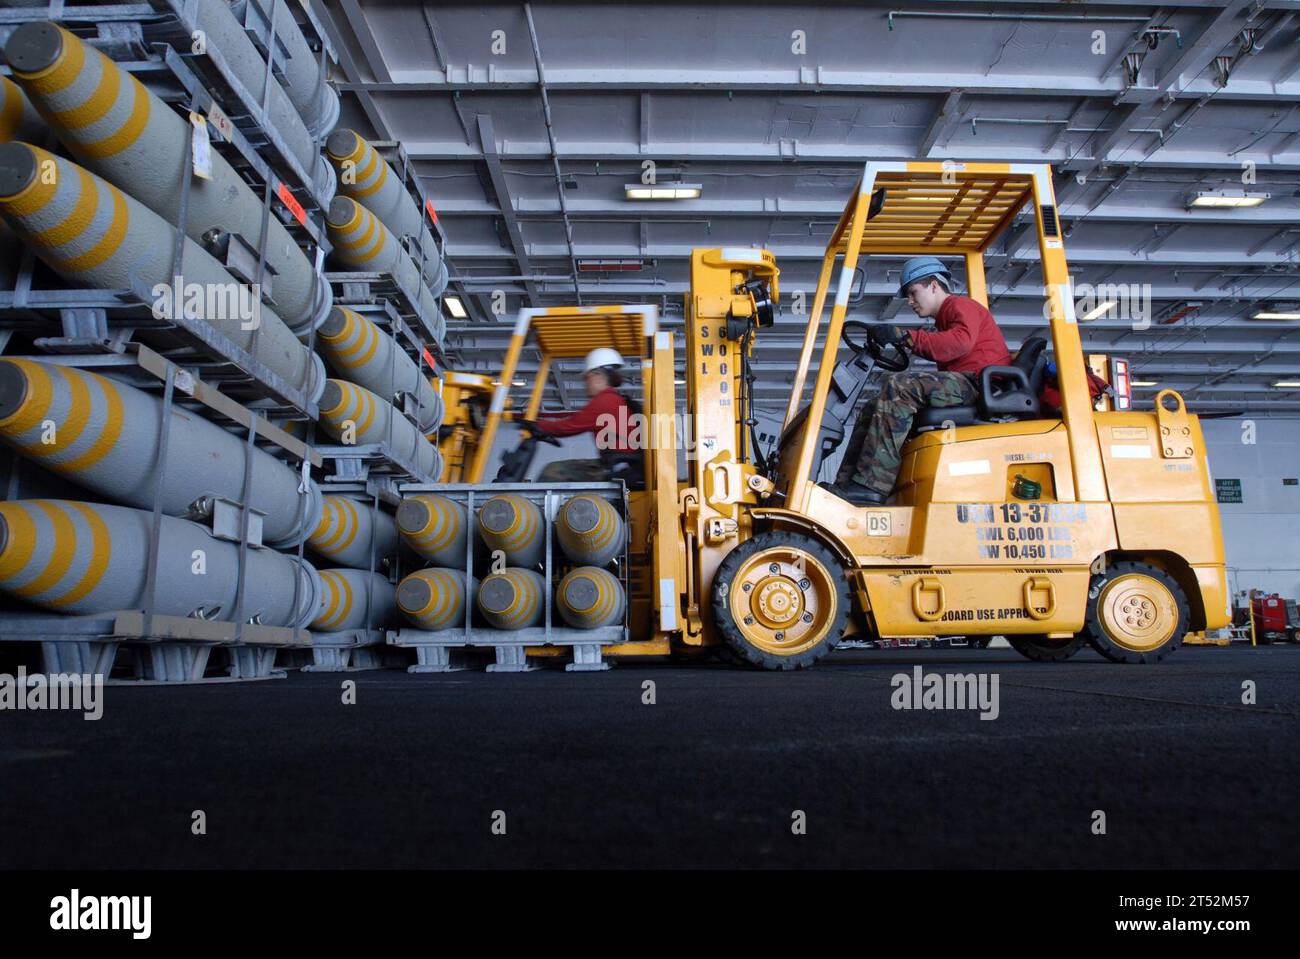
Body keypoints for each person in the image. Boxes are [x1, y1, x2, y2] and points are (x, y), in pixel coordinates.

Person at [825, 256, 1012, 506]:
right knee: (873, 405)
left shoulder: (960, 306)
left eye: (913, 293)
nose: (911, 302)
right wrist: (905, 340)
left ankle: (873, 485)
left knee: (899, 387)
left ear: (934, 285)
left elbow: (959, 343)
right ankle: (847, 484)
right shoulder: (945, 319)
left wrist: (905, 337)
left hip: (981, 385)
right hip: (970, 384)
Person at [530, 348, 638, 482]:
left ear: (598, 376)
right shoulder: (616, 399)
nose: (585, 383)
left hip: (616, 465)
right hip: (621, 463)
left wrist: (536, 425)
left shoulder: (604, 401)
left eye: (587, 378)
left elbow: (567, 427)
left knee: (553, 470)